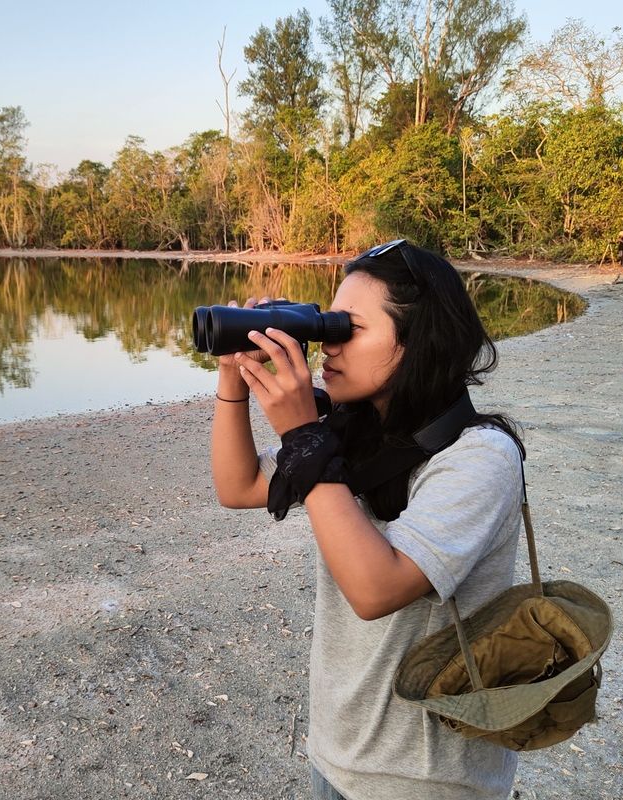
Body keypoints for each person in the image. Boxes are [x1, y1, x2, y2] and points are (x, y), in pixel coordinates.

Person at [209, 240, 526, 800]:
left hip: (426, 776)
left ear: (418, 342)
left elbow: (374, 588)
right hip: (340, 751)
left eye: (348, 328)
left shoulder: (479, 457)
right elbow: (237, 487)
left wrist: (304, 437)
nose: (328, 344)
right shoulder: (354, 434)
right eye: (326, 323)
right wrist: (233, 380)